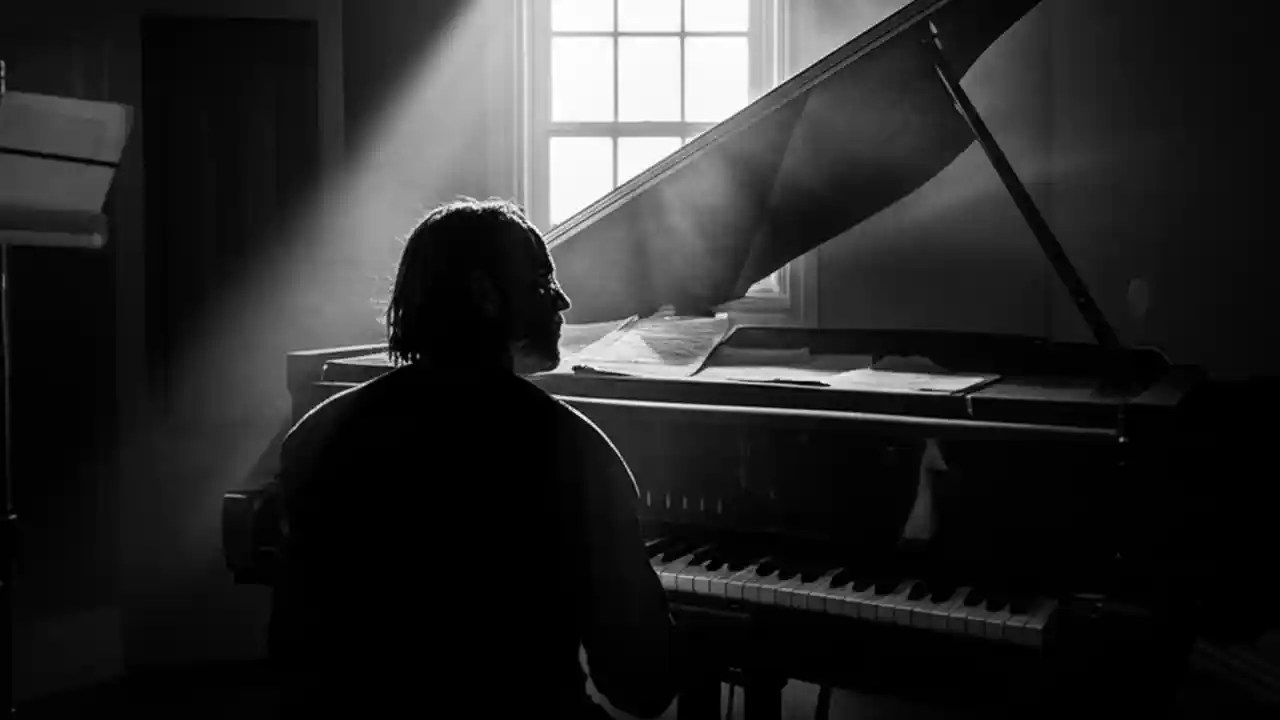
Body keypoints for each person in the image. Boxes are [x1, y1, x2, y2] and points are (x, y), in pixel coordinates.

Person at [267, 198, 678, 718]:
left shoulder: (316, 434)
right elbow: (641, 684)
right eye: (542, 283)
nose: (564, 301)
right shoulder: (572, 447)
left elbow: (290, 646)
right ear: (485, 294)